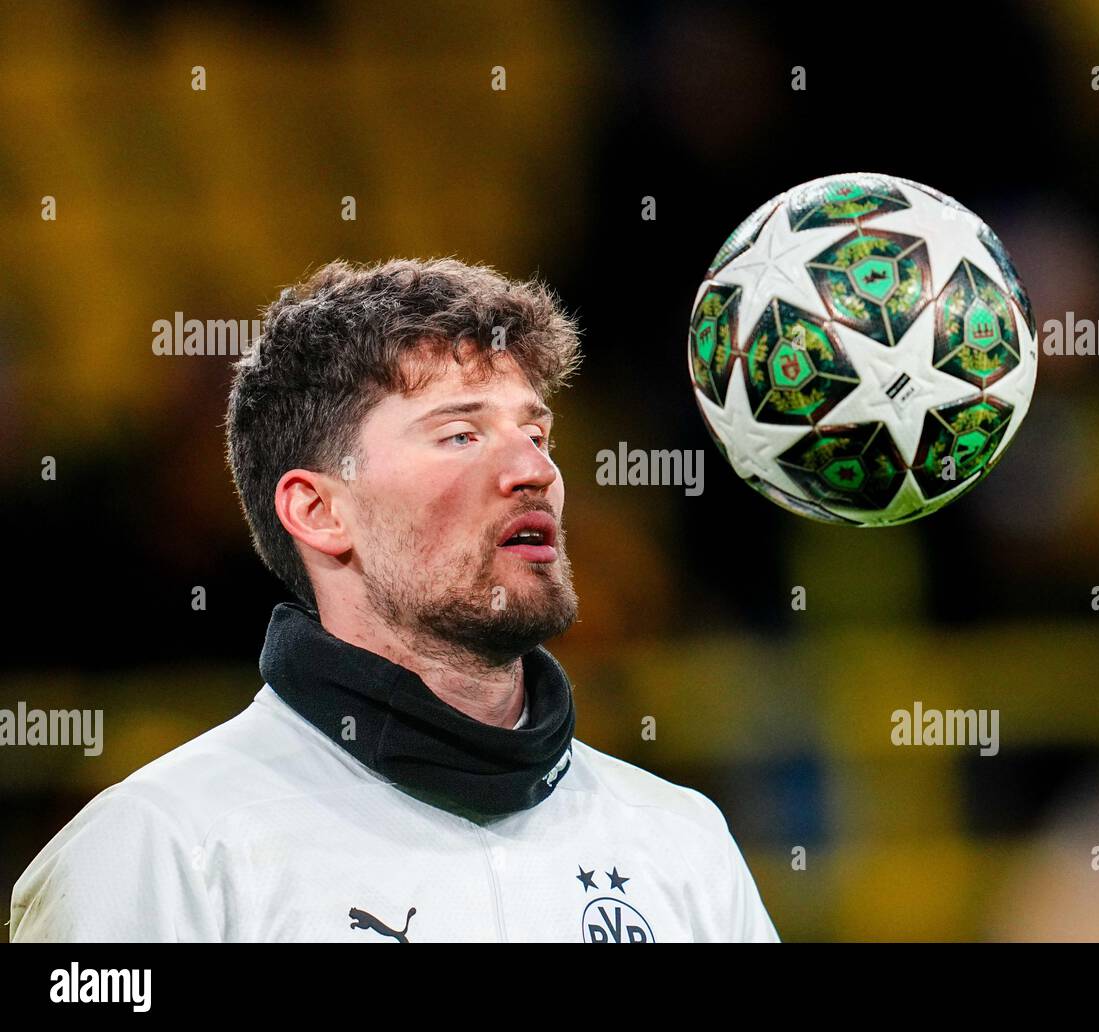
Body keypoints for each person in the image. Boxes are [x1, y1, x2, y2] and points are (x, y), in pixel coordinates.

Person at [8, 257, 780, 943]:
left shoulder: (683, 843)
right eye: (460, 435)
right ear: (320, 511)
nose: (534, 471)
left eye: (537, 435)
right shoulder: (160, 853)